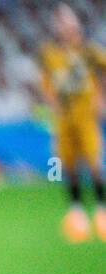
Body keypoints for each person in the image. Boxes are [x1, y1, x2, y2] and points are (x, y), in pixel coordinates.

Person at [40, 3, 106, 243]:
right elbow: (46, 82)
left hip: (86, 116)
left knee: (94, 162)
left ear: (76, 23)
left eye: (68, 20)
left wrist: (101, 98)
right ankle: (76, 211)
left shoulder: (90, 51)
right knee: (67, 166)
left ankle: (101, 210)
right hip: (64, 119)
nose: (65, 26)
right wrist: (51, 102)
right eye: (60, 21)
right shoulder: (49, 53)